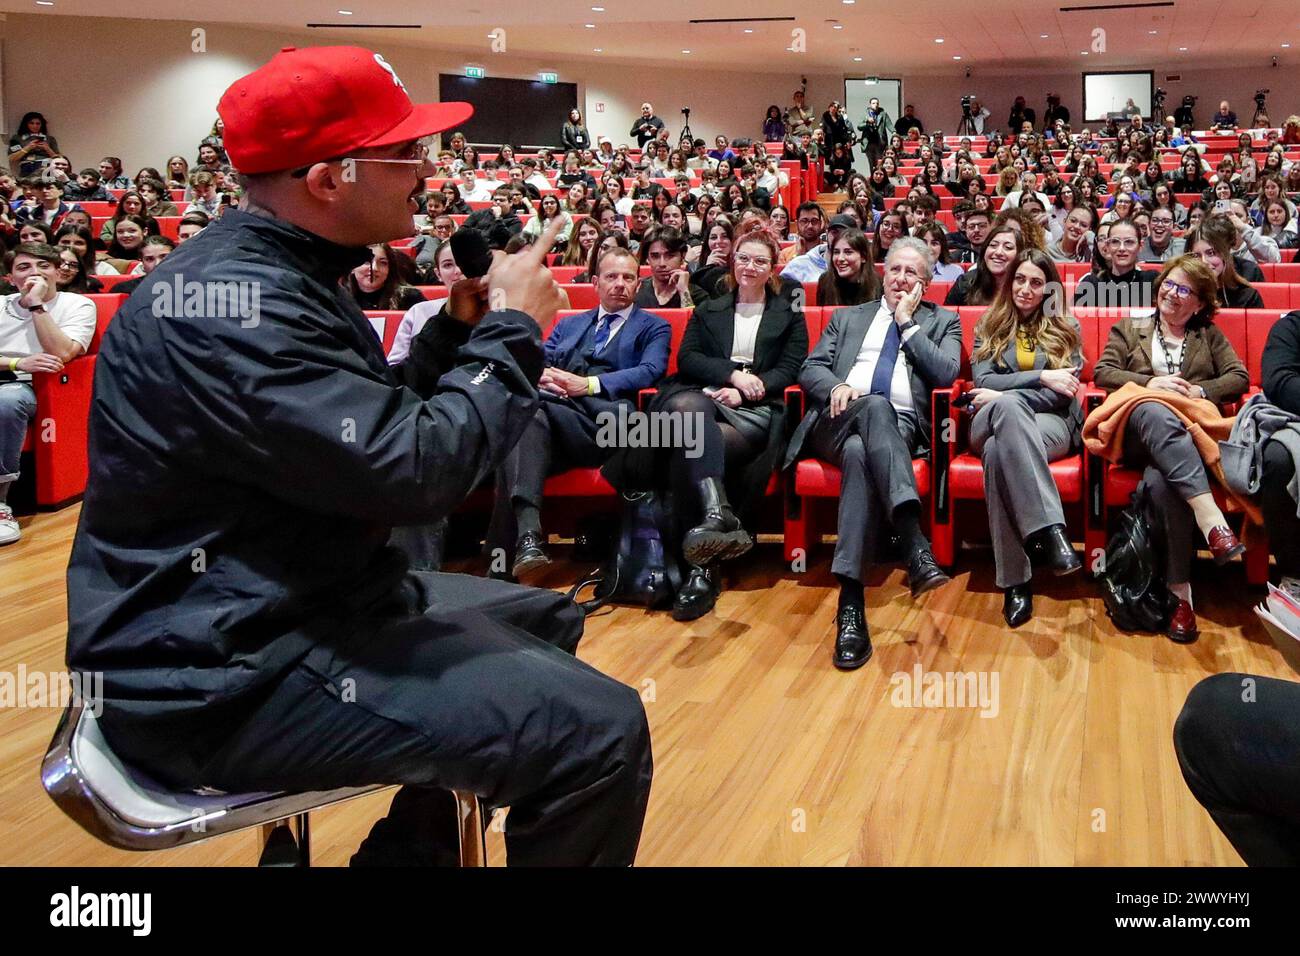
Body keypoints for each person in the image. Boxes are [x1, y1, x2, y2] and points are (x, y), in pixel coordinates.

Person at [64, 46, 652, 867]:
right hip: (219, 672)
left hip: (293, 600)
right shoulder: (239, 310)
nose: (426, 169)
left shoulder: (287, 274)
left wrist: (454, 329)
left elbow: (359, 426)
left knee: (546, 615)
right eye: (405, 153)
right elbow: (411, 474)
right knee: (599, 732)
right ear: (328, 179)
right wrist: (515, 330)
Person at [603, 231, 808, 620]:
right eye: (744, 258)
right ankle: (708, 543)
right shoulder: (710, 308)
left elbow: (792, 367)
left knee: (686, 436)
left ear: (771, 269)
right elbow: (690, 358)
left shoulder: (788, 312)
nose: (749, 267)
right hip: (705, 398)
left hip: (756, 410)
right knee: (689, 416)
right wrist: (731, 376)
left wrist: (750, 390)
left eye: (759, 262)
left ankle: (695, 561)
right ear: (733, 261)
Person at [785, 237, 959, 668]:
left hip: (897, 429)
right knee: (870, 409)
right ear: (883, 271)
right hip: (835, 421)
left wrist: (906, 323)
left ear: (927, 282)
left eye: (912, 274)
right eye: (896, 270)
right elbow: (810, 368)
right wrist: (837, 386)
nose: (901, 279)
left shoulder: (943, 321)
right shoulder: (850, 317)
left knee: (864, 449)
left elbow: (947, 373)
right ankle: (912, 538)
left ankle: (851, 602)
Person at [1090, 255, 1249, 642]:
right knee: (1153, 411)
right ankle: (1213, 522)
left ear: (1199, 304)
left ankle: (1181, 595)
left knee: (1163, 484)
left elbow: (1238, 376)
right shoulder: (1131, 328)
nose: (1173, 294)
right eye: (1169, 285)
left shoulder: (1207, 336)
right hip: (1136, 434)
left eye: (1185, 291)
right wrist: (1150, 384)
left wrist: (1198, 390)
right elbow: (1103, 372)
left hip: (1184, 440)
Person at [486, 246, 671, 578]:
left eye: (628, 278)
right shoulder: (570, 324)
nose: (620, 284)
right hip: (554, 421)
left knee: (521, 417)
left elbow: (650, 370)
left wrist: (587, 385)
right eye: (612, 277)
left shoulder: (653, 326)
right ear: (596, 283)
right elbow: (540, 358)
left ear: (638, 284)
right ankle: (526, 539)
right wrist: (540, 374)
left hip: (607, 425)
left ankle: (504, 554)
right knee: (525, 424)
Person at [966, 250, 1084, 626]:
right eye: (1020, 280)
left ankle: (1015, 582)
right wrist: (1040, 376)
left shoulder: (1067, 326)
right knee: (1008, 413)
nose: (1026, 290)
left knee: (1000, 453)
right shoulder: (988, 323)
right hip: (989, 419)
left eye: (1036, 282)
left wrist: (1007, 394)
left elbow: (1062, 392)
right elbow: (981, 383)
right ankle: (1050, 530)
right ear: (1009, 281)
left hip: (1050, 423)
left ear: (1049, 287)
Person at [0, 243, 96, 545]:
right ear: (9, 278)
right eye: (24, 268)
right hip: (13, 369)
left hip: (32, 387)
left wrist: (36, 305)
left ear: (58, 271)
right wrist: (16, 361)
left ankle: (1, 502)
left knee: (8, 401)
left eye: (43, 265)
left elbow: (63, 352)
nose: (35, 273)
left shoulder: (78, 305)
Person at [1073, 219, 1154, 308]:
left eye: (1129, 242)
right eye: (1115, 241)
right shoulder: (1090, 284)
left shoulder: (1151, 280)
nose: (1121, 248)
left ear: (1140, 246)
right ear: (1108, 245)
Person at [1184, 219, 1264, 308]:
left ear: (1224, 254)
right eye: (1196, 255)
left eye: (1211, 253)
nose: (1204, 262)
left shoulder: (1247, 297)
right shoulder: (1183, 295)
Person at [945, 224, 1023, 306]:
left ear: (1019, 254)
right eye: (993, 245)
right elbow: (948, 316)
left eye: (1008, 247)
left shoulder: (1024, 287)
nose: (998, 252)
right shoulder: (966, 283)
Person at [635, 226, 705, 307]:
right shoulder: (637, 289)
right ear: (647, 258)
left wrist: (684, 292)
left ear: (683, 256)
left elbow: (692, 319)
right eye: (655, 256)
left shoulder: (697, 294)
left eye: (670, 256)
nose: (662, 263)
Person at [816, 228, 882, 307]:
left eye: (848, 252)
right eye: (836, 252)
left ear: (863, 257)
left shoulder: (879, 284)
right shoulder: (825, 281)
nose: (840, 258)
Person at [780, 213, 855, 283]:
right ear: (826, 233)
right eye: (834, 232)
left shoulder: (861, 266)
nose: (839, 238)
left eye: (845, 233)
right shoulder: (799, 264)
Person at [7, 112, 60, 178]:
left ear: (42, 125)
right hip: (27, 167)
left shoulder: (49, 139)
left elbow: (59, 159)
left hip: (45, 166)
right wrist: (27, 148)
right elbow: (12, 158)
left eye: (38, 123)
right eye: (31, 123)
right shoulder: (17, 138)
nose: (35, 126)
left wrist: (47, 148)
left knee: (47, 186)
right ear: (26, 124)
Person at [857, 98, 893, 171]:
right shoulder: (865, 114)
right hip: (868, 143)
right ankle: (873, 179)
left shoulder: (883, 114)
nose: (875, 105)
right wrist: (867, 122)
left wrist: (894, 132)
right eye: (873, 103)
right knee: (871, 163)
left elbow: (889, 125)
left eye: (877, 103)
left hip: (879, 142)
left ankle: (880, 178)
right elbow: (859, 126)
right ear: (870, 105)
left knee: (879, 163)